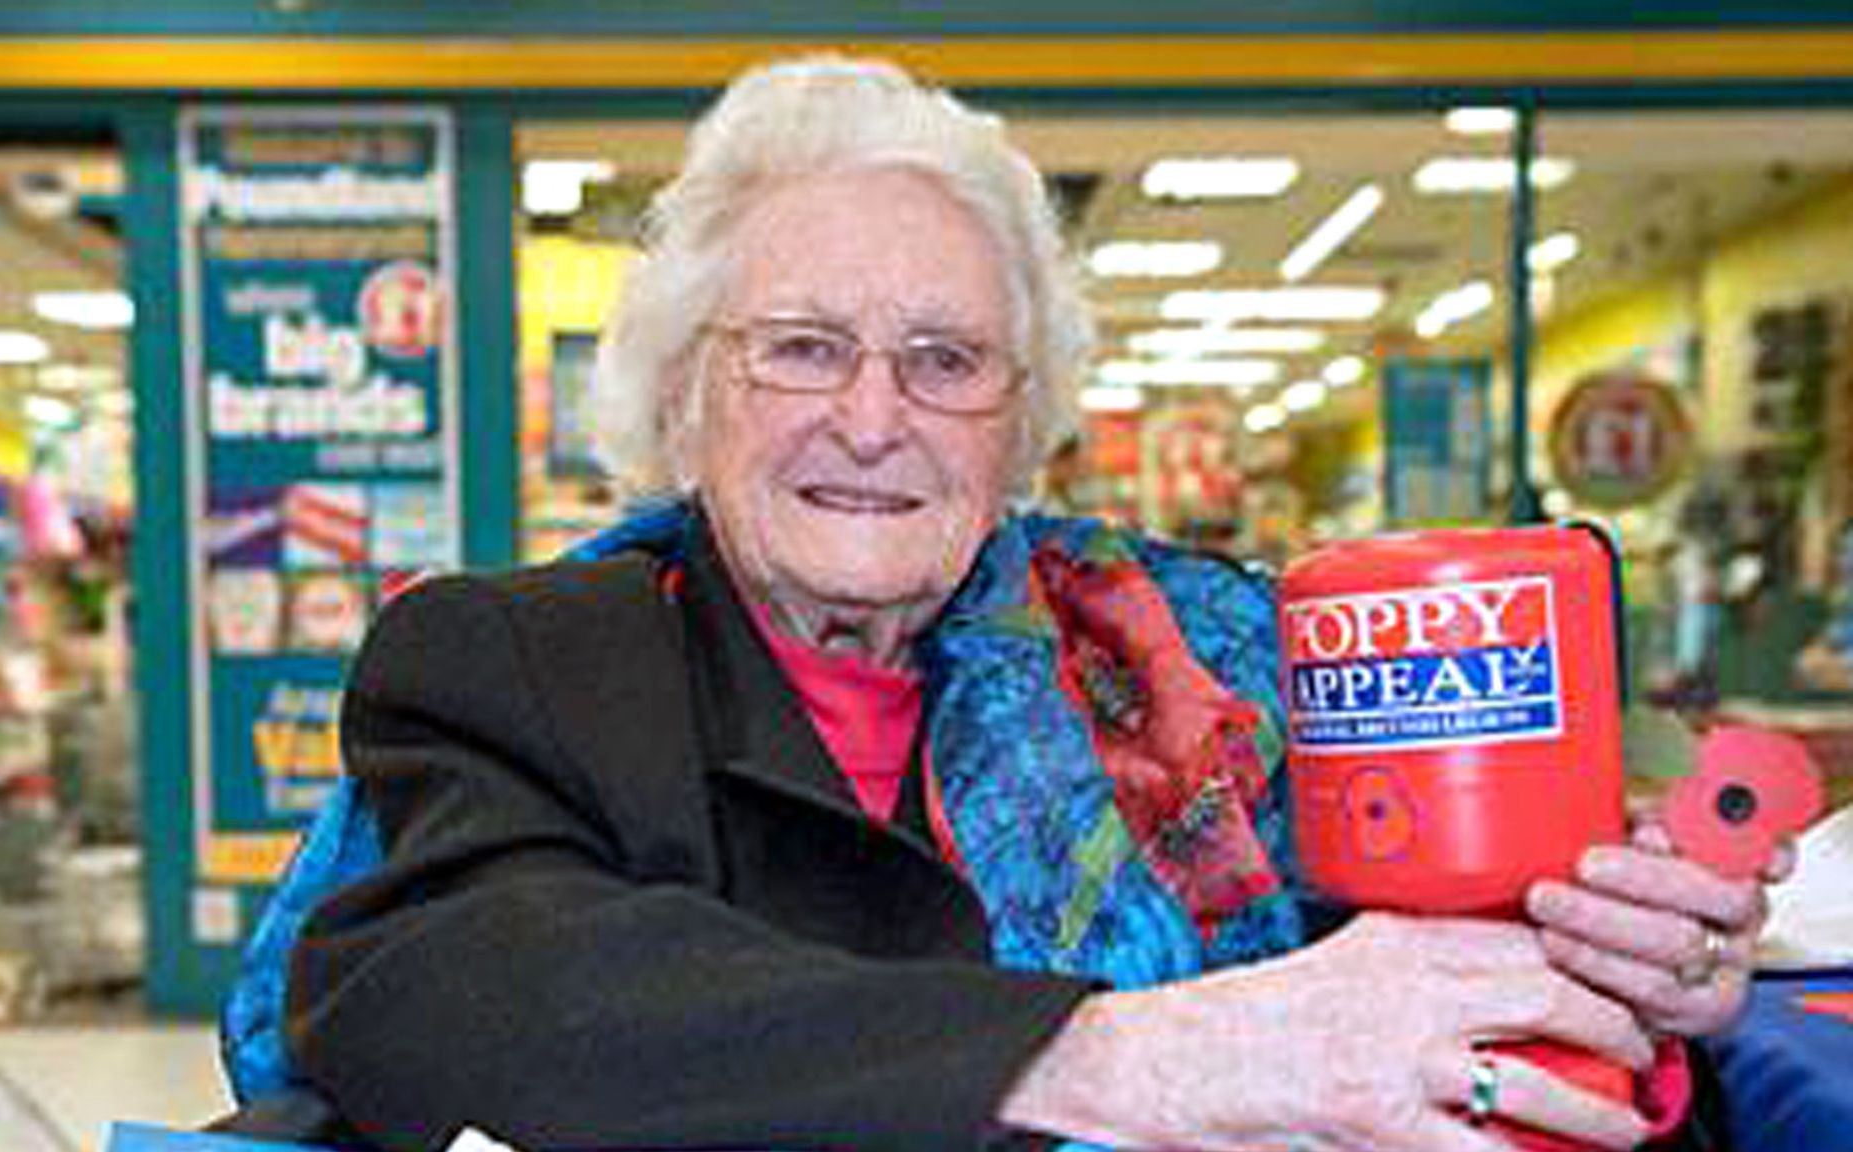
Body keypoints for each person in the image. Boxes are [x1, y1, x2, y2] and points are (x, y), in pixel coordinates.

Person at [281, 58, 1783, 1152]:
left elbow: (1457, 1028)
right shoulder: (524, 657)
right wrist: (1129, 1052)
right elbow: (453, 988)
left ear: (1022, 420)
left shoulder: (1219, 662)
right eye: (803, 348)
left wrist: (1634, 984)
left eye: (945, 361)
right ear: (686, 397)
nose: (874, 418)